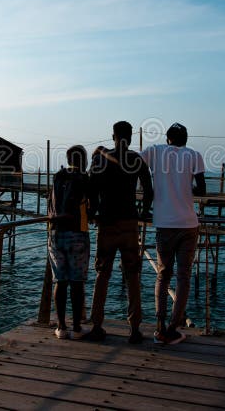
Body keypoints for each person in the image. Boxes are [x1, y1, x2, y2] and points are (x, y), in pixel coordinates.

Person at [84, 121, 153, 344]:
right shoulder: (136, 160)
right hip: (130, 223)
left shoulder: (101, 159)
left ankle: (96, 325)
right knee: (133, 275)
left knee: (102, 274)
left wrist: (93, 212)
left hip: (106, 223)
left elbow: (91, 190)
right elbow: (149, 189)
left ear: (112, 136)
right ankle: (134, 329)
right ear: (130, 137)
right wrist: (143, 212)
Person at [142, 122, 206, 345]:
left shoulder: (155, 151)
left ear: (168, 138)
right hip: (189, 224)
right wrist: (185, 189)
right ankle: (173, 326)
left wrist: (153, 188)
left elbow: (135, 164)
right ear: (186, 139)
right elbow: (202, 189)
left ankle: (159, 325)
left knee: (163, 274)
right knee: (184, 277)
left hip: (164, 224)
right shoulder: (194, 155)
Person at [47, 145, 93, 339]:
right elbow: (93, 205)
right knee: (76, 282)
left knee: (60, 281)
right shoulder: (84, 179)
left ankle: (61, 327)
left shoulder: (58, 176)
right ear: (83, 160)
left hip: (55, 233)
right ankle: (75, 328)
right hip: (77, 233)